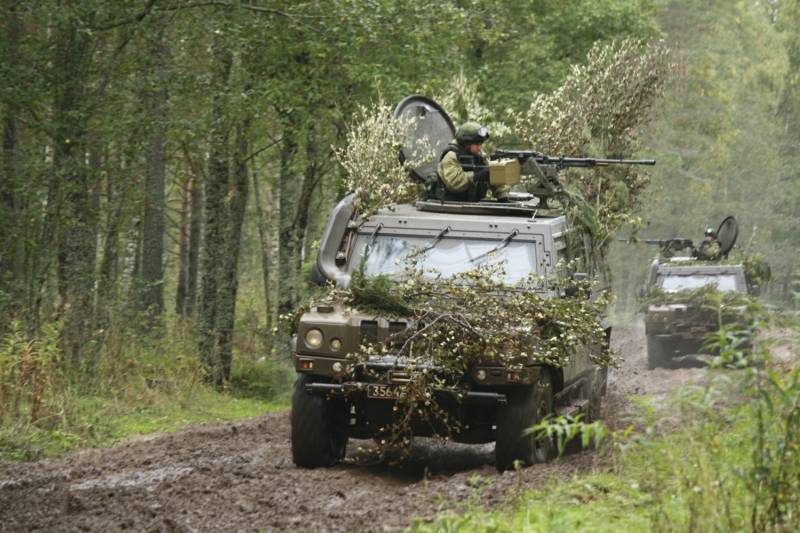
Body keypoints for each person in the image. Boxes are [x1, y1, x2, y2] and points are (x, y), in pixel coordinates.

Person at [432, 122, 510, 202]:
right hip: (449, 206)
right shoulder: (451, 156)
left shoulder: (478, 155)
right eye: (476, 144)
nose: (479, 148)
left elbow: (493, 174)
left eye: (481, 144)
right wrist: (477, 175)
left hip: (472, 205)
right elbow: (454, 184)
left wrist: (503, 195)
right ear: (467, 143)